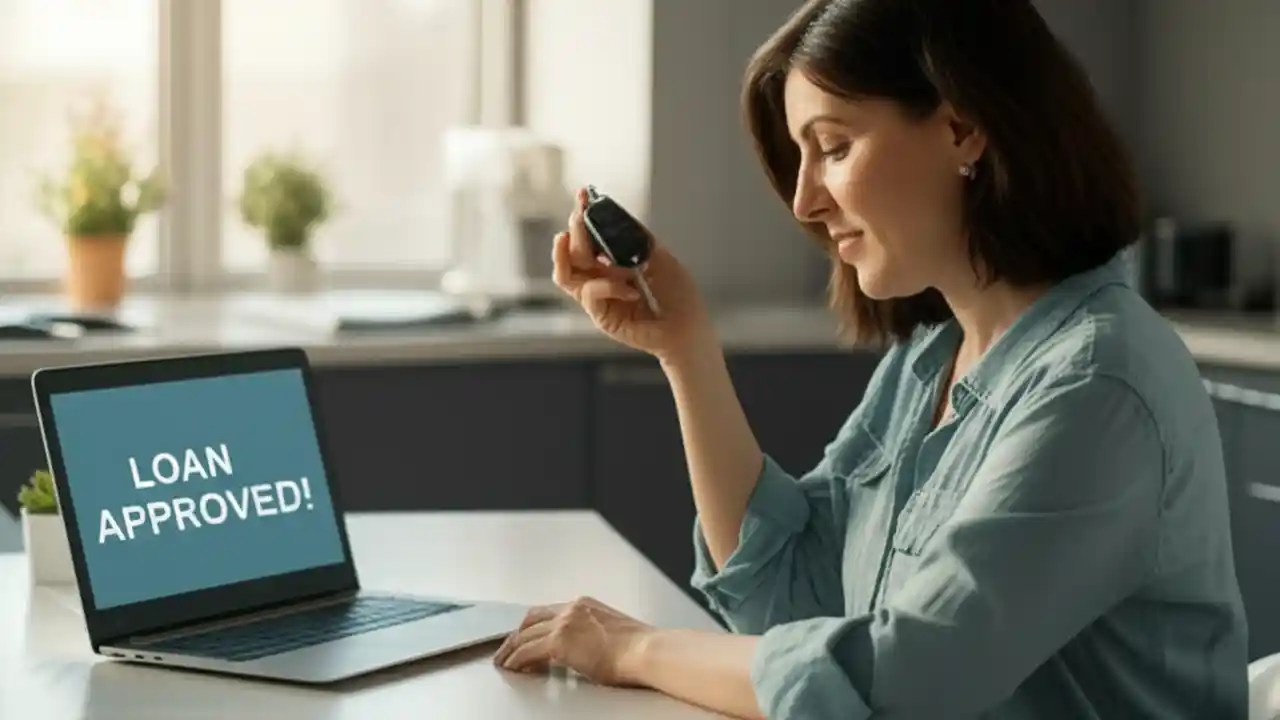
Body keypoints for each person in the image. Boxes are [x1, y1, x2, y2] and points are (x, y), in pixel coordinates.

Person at [491, 0, 1249, 717]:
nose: (803, 202)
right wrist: (684, 347)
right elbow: (789, 596)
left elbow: (907, 680)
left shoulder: (1096, 384)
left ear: (962, 128)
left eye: (832, 147)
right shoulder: (933, 360)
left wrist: (637, 649)